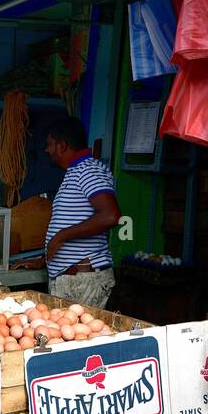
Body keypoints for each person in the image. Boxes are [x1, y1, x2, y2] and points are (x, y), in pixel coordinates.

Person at [41, 116, 121, 308]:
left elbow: (111, 215)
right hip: (75, 280)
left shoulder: (89, 170)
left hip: (83, 281)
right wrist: (45, 257)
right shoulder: (76, 171)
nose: (47, 150)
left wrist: (60, 237)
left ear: (62, 145)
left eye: (50, 144)